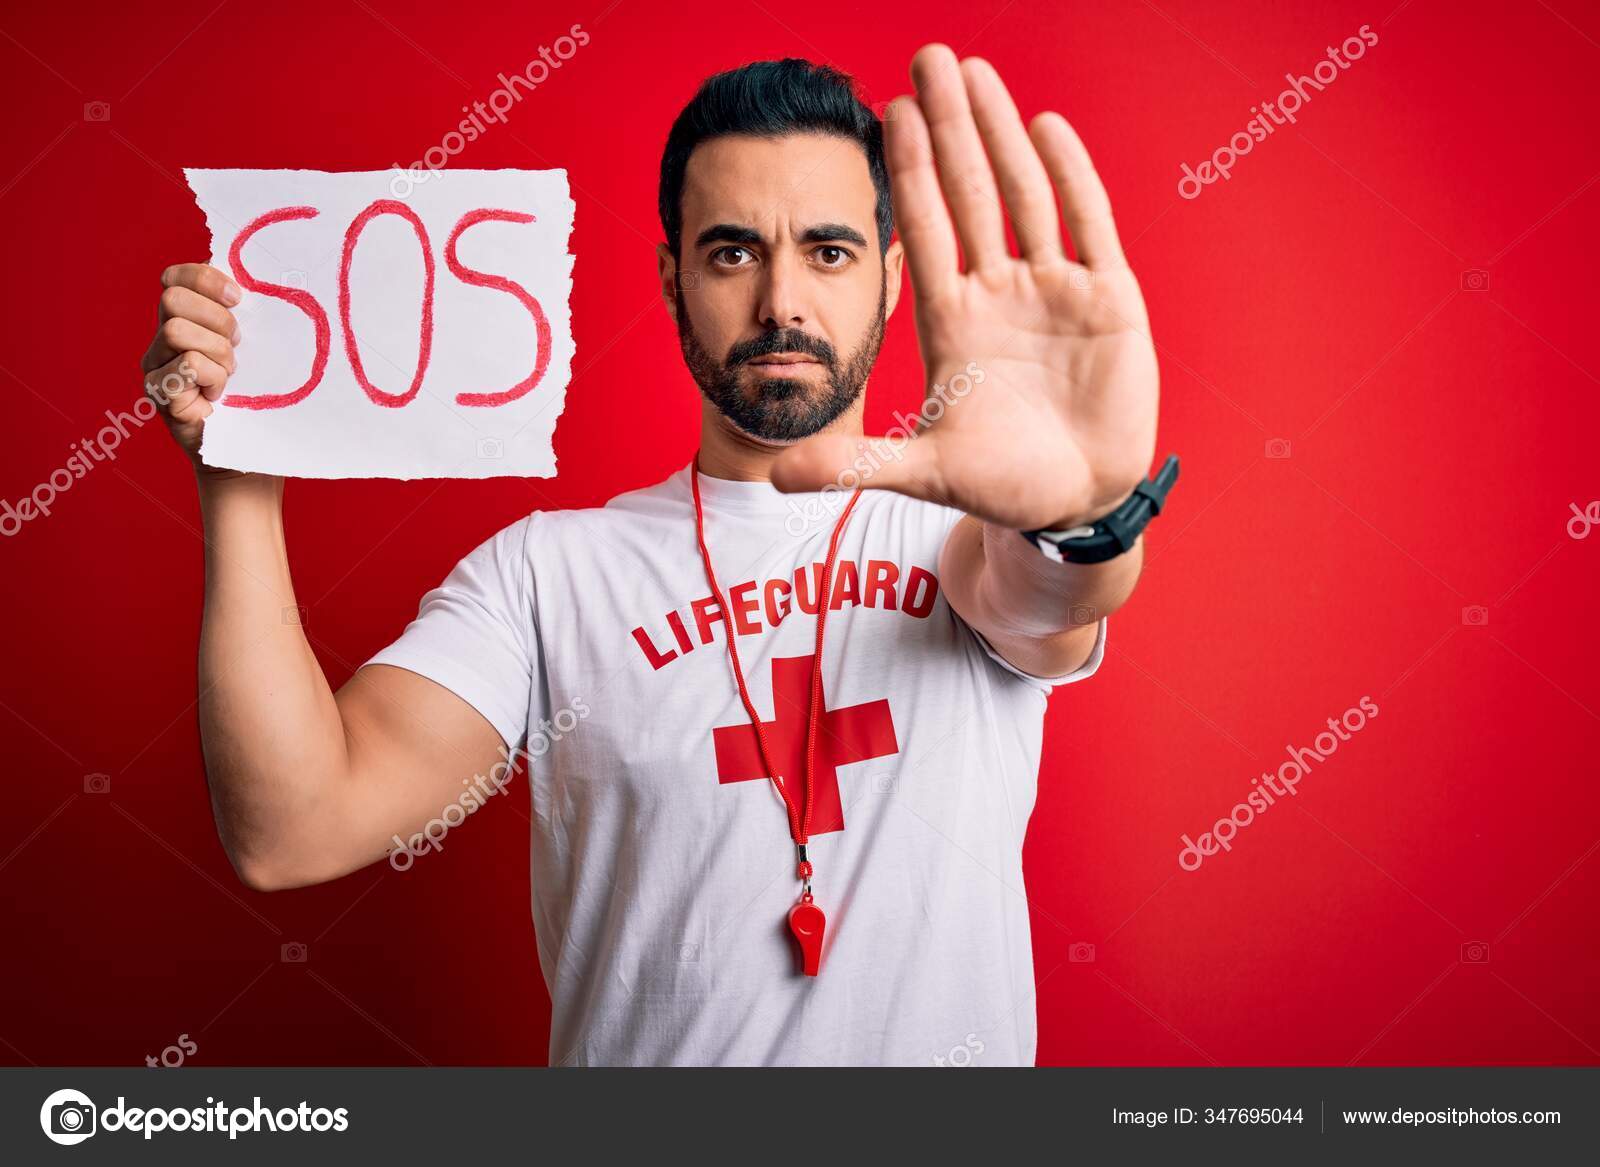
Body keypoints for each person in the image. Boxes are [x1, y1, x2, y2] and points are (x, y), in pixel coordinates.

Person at [138, 44, 1162, 1066]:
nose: (781, 305)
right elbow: (293, 829)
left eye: (828, 251)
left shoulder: (965, 544)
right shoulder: (546, 576)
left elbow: (1054, 592)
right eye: (731, 253)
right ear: (672, 280)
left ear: (893, 279)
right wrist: (239, 474)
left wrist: (1081, 509)